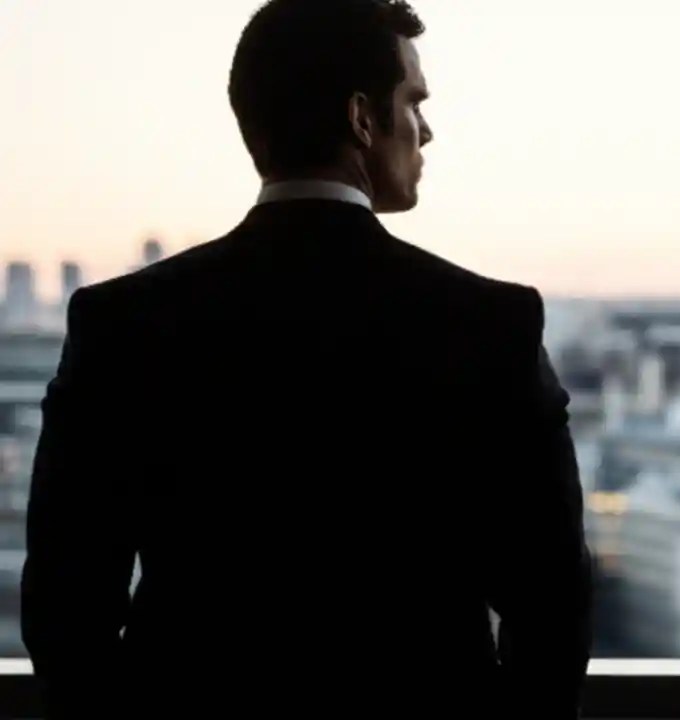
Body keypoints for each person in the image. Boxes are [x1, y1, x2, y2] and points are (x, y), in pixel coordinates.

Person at [19, 0, 593, 716]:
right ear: (362, 118)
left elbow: (66, 603)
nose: (426, 130)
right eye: (413, 102)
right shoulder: (488, 324)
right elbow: (552, 603)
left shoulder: (123, 324)